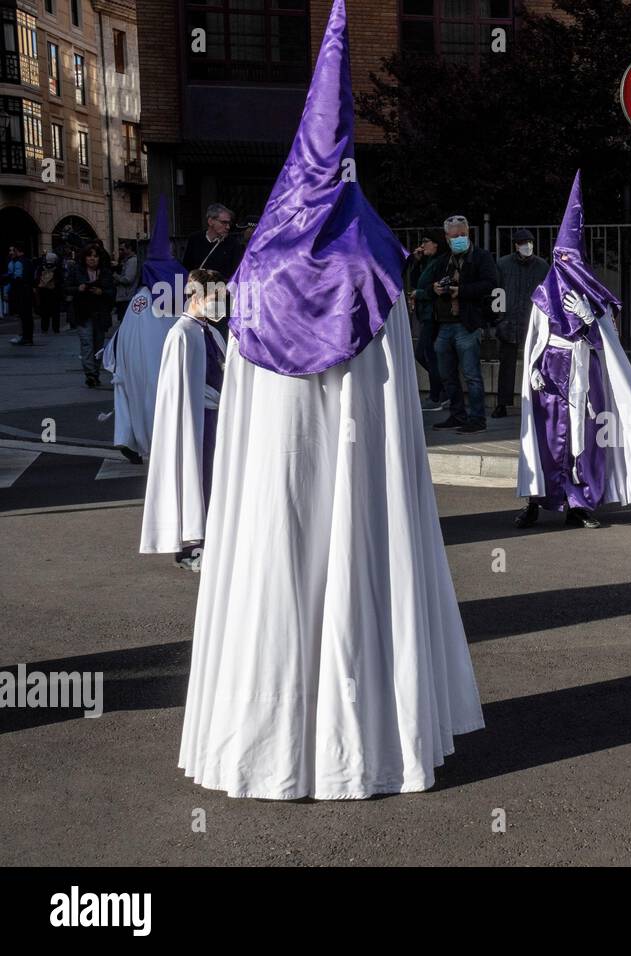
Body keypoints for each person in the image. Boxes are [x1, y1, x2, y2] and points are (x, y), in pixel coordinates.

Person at [179, 0, 483, 799]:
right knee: (364, 548)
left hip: (278, 466)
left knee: (272, 550)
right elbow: (397, 400)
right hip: (357, 458)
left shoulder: (255, 272)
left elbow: (237, 390)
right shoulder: (377, 260)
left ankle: (268, 745)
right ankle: (370, 742)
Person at [515, 171, 631, 530]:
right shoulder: (542, 295)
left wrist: (592, 321)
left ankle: (578, 505)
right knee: (546, 440)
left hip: (584, 372)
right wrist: (533, 368)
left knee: (583, 439)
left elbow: (610, 344)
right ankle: (536, 501)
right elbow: (534, 338)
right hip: (549, 376)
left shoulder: (594, 296)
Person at [139, 269, 226, 569]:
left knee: (214, 479)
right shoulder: (180, 334)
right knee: (196, 477)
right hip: (195, 419)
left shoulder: (212, 332)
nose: (220, 306)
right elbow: (175, 391)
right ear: (196, 296)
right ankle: (195, 544)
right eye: (216, 298)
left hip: (215, 416)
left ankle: (211, 539)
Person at [101, 198, 185, 464]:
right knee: (152, 398)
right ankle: (151, 444)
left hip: (129, 361)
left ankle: (131, 441)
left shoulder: (143, 296)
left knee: (131, 400)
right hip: (149, 362)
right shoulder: (164, 299)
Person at [422, 213, 497, 433]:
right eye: (455, 236)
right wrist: (434, 289)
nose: (459, 239)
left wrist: (461, 291)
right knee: (447, 374)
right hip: (444, 324)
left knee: (471, 374)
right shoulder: (443, 260)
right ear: (446, 237)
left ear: (469, 233)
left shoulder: (482, 257)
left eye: (463, 234)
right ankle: (457, 414)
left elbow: (491, 284)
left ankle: (477, 419)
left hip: (467, 324)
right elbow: (425, 286)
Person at [494, 228, 548, 418]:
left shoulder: (542, 266)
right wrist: (498, 318)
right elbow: (497, 292)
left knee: (535, 363)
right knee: (506, 365)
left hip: (532, 321)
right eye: (524, 242)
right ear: (516, 245)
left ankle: (536, 401)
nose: (528, 246)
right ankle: (502, 403)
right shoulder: (502, 264)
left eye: (530, 242)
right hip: (509, 320)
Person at [407, 233, 447, 410]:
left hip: (433, 314)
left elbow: (436, 289)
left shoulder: (439, 263)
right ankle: (441, 391)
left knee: (424, 353)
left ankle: (437, 393)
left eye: (426, 241)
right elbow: (415, 282)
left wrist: (419, 294)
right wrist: (416, 261)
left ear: (436, 244)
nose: (423, 245)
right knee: (428, 354)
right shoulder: (427, 262)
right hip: (426, 314)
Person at [71, 244, 115, 387]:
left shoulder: (106, 273)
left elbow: (112, 293)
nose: (92, 259)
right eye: (89, 256)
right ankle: (90, 374)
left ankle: (95, 373)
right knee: (87, 344)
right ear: (84, 258)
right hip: (83, 313)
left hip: (100, 314)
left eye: (95, 256)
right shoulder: (77, 272)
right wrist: (79, 288)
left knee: (98, 345)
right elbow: (65, 288)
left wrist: (101, 292)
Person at [181, 203, 241, 280]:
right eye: (224, 222)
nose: (228, 227)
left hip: (220, 289)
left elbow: (236, 273)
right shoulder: (195, 239)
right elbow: (187, 266)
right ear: (210, 221)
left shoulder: (233, 244)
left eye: (229, 223)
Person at [5, 245, 34, 346]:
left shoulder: (19, 262)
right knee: (25, 315)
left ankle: (26, 338)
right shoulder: (25, 261)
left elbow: (17, 277)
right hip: (25, 290)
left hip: (22, 291)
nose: (10, 253)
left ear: (18, 252)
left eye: (13, 251)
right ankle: (26, 337)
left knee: (24, 315)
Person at [34, 251, 64, 335]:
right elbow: (61, 280)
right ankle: (56, 329)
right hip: (54, 293)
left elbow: (37, 280)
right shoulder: (57, 268)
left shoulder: (41, 267)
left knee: (44, 313)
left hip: (43, 293)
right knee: (55, 313)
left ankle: (44, 329)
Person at [113, 240, 139, 326]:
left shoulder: (132, 261)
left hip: (127, 297)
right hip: (124, 297)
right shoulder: (127, 260)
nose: (120, 251)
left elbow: (128, 279)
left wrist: (115, 276)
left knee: (125, 323)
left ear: (129, 249)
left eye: (122, 249)